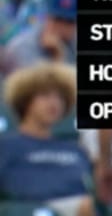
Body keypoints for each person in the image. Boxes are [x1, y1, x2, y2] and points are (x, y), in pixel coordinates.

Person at [0, 63, 92, 214]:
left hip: (78, 206)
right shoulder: (7, 146)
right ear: (26, 100)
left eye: (60, 97)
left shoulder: (75, 149)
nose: (54, 103)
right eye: (45, 95)